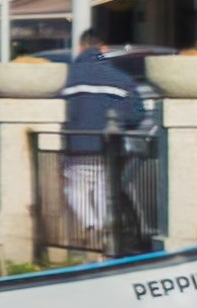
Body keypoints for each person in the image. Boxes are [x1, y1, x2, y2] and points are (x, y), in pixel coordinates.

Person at [59, 34, 148, 246]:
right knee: (104, 190)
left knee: (75, 189)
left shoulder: (66, 78)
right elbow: (137, 113)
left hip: (77, 146)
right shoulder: (121, 78)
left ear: (80, 47)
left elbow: (55, 111)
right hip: (110, 146)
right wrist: (121, 126)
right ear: (104, 49)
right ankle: (109, 236)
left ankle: (93, 227)